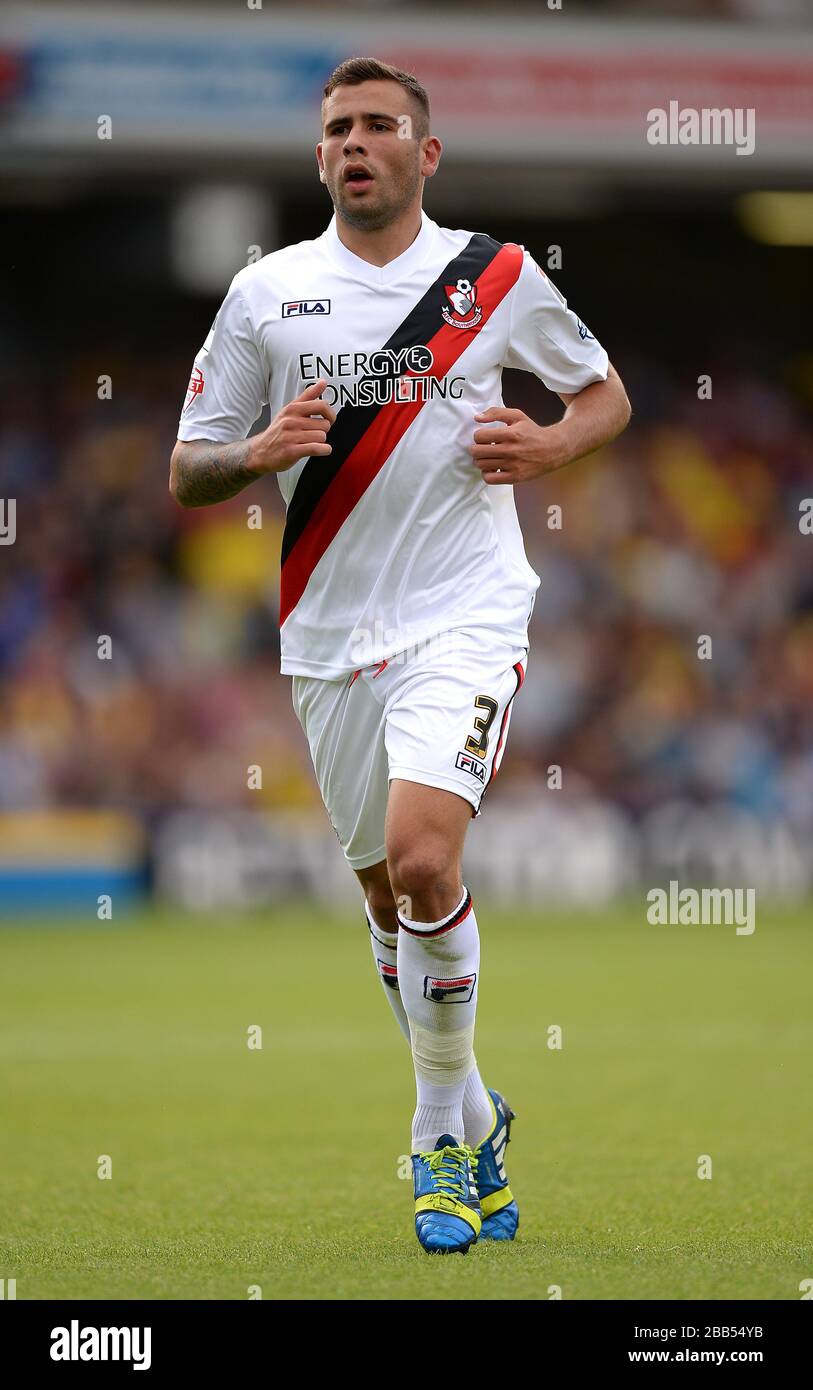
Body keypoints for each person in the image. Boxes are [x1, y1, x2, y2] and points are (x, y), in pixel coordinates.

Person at [170, 56, 631, 1255]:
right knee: (387, 896)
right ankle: (479, 1112)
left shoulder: (495, 277)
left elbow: (605, 397)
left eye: (380, 125)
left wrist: (547, 443)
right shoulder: (267, 295)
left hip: (465, 613)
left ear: (427, 154)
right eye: (338, 129)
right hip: (328, 635)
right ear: (319, 158)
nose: (356, 143)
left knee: (428, 858)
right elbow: (187, 466)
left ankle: (433, 1141)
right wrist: (261, 447)